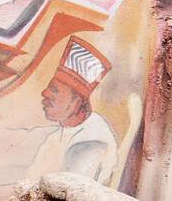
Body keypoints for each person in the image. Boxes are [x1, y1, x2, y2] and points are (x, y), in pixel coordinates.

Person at [24, 37, 119, 183]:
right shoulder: (57, 136)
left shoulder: (91, 142)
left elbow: (67, 197)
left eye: (54, 90)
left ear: (77, 102)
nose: (45, 93)